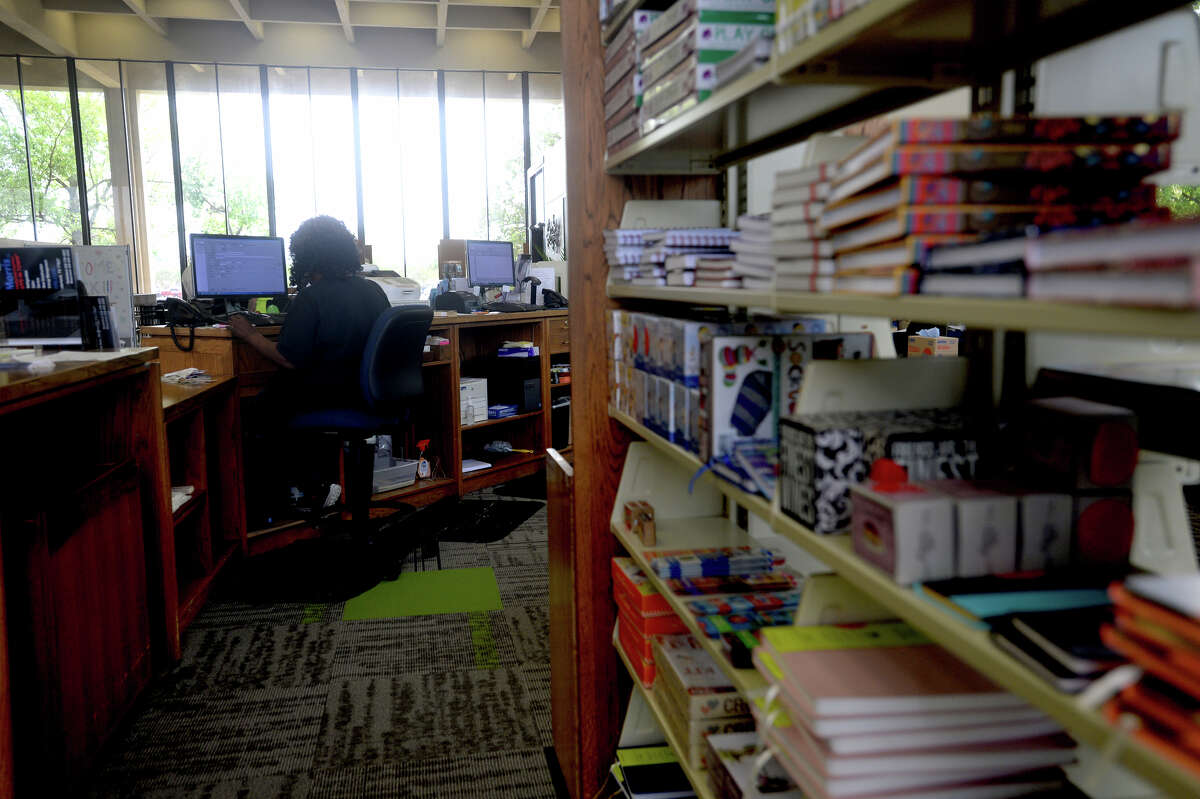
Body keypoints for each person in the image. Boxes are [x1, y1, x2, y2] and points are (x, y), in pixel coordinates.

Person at [229, 215, 390, 525]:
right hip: (369, 394)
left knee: (257, 410)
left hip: (332, 397)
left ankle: (295, 494)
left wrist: (250, 335)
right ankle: (311, 484)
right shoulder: (374, 291)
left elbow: (289, 359)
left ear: (305, 257)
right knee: (278, 401)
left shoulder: (313, 297)